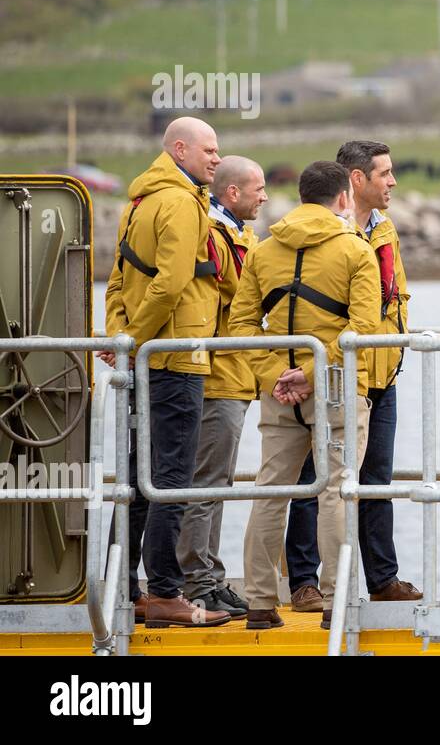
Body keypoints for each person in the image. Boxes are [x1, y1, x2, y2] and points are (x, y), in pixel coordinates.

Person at [229, 161, 382, 630]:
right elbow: (364, 327)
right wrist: (312, 372)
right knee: (337, 491)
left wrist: (278, 372)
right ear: (343, 199)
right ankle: (335, 603)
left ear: (300, 197)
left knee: (270, 490)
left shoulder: (263, 251)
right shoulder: (356, 252)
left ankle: (258, 603)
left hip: (279, 392)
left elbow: (239, 327)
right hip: (335, 385)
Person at [101, 116, 230, 627]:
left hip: (147, 358)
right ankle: (166, 593)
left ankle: (128, 587)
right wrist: (138, 340)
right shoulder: (180, 200)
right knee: (171, 479)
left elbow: (117, 279)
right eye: (210, 149)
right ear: (180, 149)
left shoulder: (138, 201)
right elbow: (174, 282)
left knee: (136, 479)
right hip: (176, 358)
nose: (217, 158)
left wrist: (122, 337)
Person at [284, 141, 421, 610]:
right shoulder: (325, 234)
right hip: (335, 377)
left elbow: (395, 297)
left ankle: (383, 577)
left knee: (375, 480)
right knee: (315, 479)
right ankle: (303, 581)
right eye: (384, 173)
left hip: (382, 372)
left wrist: (398, 347)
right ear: (356, 180)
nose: (392, 182)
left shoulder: (385, 230)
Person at [176, 155, 267, 619]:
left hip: (234, 375)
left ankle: (209, 574)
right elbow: (241, 287)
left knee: (217, 481)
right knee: (205, 482)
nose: (265, 197)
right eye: (258, 189)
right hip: (218, 376)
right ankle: (197, 582)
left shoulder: (234, 233)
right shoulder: (215, 233)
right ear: (233, 193)